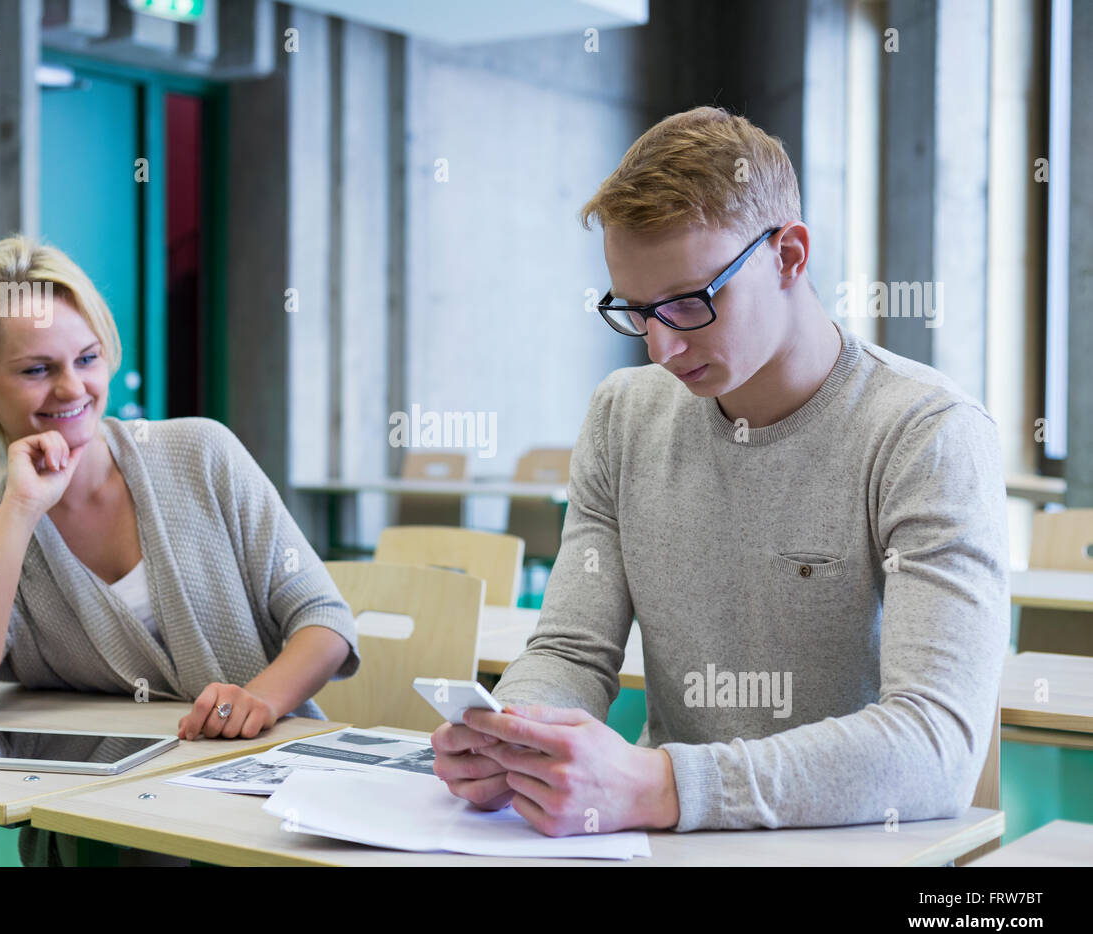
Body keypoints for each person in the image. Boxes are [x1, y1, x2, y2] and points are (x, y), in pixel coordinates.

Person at [432, 106, 1010, 836]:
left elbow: (935, 745)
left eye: (689, 302)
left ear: (790, 256)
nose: (661, 350)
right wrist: (518, 738)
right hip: (664, 841)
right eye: (638, 312)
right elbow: (572, 649)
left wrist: (664, 786)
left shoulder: (928, 434)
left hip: (852, 844)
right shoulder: (622, 414)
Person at [0, 235, 359, 863]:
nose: (72, 389)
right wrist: (20, 511)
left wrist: (263, 698)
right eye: (37, 370)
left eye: (87, 358)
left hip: (261, 796)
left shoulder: (201, 454)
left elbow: (325, 620)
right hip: (108, 824)